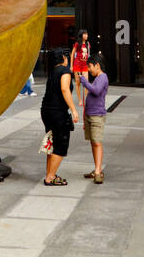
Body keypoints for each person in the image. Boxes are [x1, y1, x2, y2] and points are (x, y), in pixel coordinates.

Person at [40, 47, 78, 185]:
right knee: (61, 144)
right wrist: (73, 110)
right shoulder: (64, 71)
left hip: (46, 111)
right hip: (58, 112)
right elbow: (64, 89)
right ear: (63, 58)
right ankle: (50, 177)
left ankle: (49, 174)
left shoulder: (53, 72)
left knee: (51, 142)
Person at [79, 51, 108, 183]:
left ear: (97, 65)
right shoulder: (97, 78)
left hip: (97, 115)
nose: (89, 70)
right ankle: (97, 169)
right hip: (90, 114)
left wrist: (84, 82)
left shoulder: (102, 77)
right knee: (93, 142)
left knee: (97, 142)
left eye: (90, 66)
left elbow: (95, 91)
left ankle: (98, 171)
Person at [70, 29, 91, 106]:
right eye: (84, 34)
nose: (86, 35)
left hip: (85, 65)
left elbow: (88, 56)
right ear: (81, 35)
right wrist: (71, 66)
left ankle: (86, 99)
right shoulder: (77, 43)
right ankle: (80, 100)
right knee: (78, 83)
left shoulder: (88, 44)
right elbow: (72, 54)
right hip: (77, 65)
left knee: (86, 83)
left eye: (87, 34)